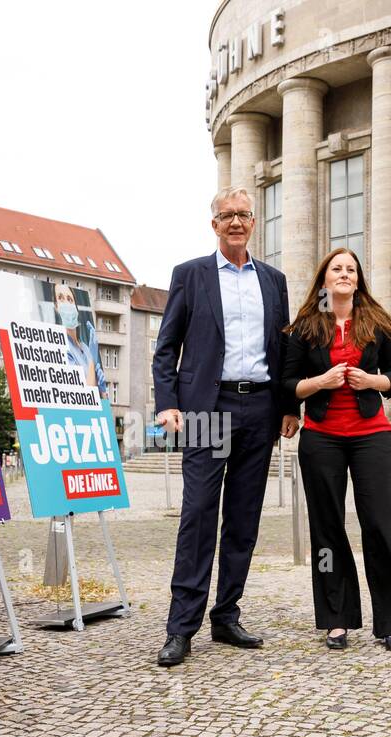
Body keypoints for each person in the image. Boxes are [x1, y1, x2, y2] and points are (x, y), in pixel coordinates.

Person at [151, 185, 300, 667]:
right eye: (226, 215)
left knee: (243, 517)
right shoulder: (190, 276)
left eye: (244, 215)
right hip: (205, 408)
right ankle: (181, 628)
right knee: (197, 514)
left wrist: (287, 406)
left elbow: (284, 349)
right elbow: (166, 347)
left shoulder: (274, 281)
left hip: (259, 407)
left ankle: (226, 614)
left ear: (255, 223)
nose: (236, 222)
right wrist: (167, 403)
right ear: (213, 224)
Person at [281, 247, 391, 652]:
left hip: (371, 434)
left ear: (358, 279)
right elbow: (288, 384)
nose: (344, 274)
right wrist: (321, 381)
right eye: (336, 268)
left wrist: (371, 382)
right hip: (322, 436)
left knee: (379, 524)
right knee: (327, 530)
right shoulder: (305, 327)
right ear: (324, 279)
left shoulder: (376, 322)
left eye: (350, 269)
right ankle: (336, 619)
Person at [52, 283, 103, 394]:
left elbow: (95, 390)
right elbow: (84, 395)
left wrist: (102, 390)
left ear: (76, 306)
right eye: (61, 298)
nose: (66, 303)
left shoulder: (86, 347)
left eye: (70, 299)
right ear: (56, 307)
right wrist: (92, 363)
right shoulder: (61, 347)